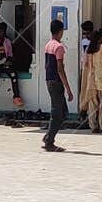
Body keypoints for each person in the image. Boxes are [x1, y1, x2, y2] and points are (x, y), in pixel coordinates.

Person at [41, 18, 73, 151]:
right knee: (57, 113)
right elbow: (60, 69)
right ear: (60, 32)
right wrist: (68, 88)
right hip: (56, 82)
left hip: (49, 80)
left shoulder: (48, 45)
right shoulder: (59, 47)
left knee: (62, 111)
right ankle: (49, 142)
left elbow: (46, 65)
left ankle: (48, 135)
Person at [79, 29, 102, 132]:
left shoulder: (89, 50)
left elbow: (85, 66)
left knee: (92, 104)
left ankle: (93, 126)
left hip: (91, 80)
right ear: (99, 38)